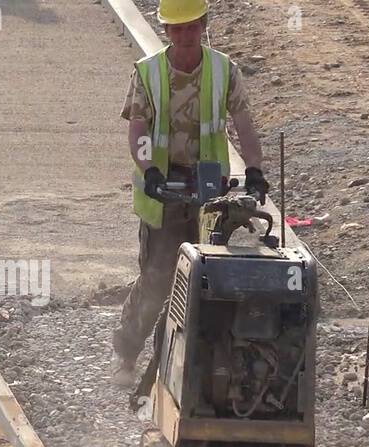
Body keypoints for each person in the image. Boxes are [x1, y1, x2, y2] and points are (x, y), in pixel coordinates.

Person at [110, 0, 269, 387]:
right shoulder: (148, 74)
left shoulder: (222, 70)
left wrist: (254, 169)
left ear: (202, 25)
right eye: (176, 30)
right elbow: (138, 129)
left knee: (210, 277)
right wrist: (149, 170)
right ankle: (126, 354)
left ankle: (192, 365)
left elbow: (243, 122)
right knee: (158, 278)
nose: (184, 37)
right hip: (165, 192)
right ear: (166, 31)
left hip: (210, 194)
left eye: (190, 28)